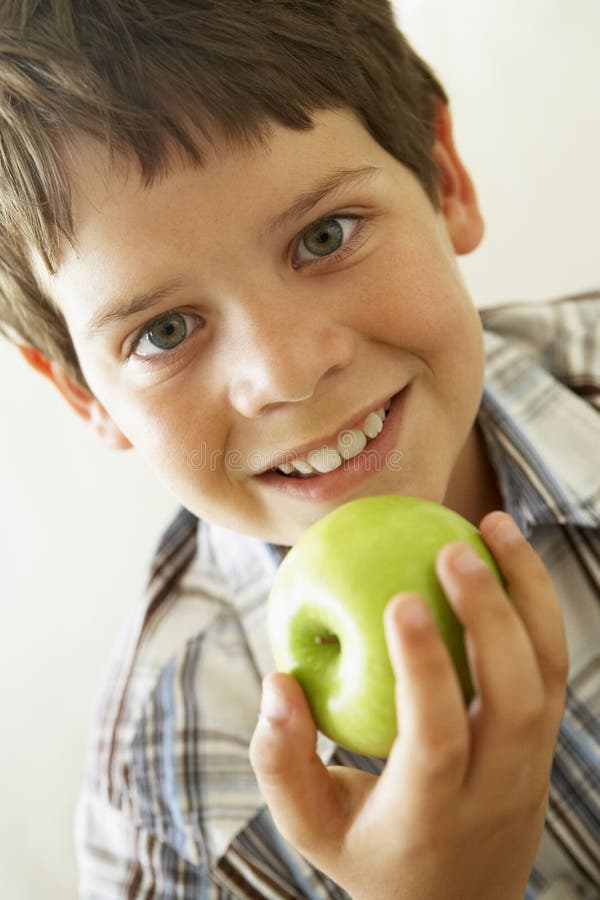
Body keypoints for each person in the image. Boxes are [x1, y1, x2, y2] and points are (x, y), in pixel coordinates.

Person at [1, 1, 598, 897]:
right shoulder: (178, 803)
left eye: (325, 236)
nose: (282, 372)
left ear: (444, 179)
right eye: (165, 330)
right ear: (87, 394)